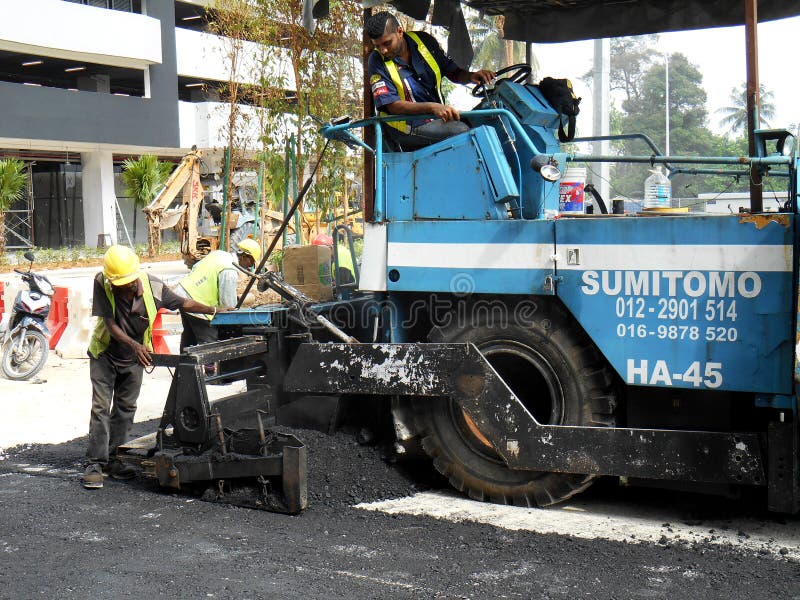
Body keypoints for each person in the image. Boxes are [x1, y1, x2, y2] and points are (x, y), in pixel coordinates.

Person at [82, 245, 218, 490]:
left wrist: (213, 310)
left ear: (134, 278)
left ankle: (115, 458)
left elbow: (183, 303)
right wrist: (135, 346)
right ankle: (95, 464)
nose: (119, 287)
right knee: (101, 408)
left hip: (135, 358)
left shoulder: (154, 287)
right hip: (105, 354)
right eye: (116, 283)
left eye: (124, 283)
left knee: (125, 408)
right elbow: (110, 323)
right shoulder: (103, 281)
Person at [365, 11, 496, 150]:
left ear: (400, 32)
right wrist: (433, 107)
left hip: (435, 118)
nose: (383, 50)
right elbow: (392, 106)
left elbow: (452, 72)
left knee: (483, 120)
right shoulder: (376, 60)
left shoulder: (424, 41)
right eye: (378, 46)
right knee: (461, 132)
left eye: (387, 43)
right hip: (405, 126)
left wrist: (471, 76)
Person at [174, 238, 261, 352]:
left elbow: (196, 268)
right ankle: (206, 363)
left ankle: (183, 362)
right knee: (209, 344)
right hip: (197, 302)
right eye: (252, 262)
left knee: (190, 339)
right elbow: (228, 305)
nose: (250, 267)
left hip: (183, 295)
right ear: (245, 257)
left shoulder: (219, 254)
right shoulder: (230, 270)